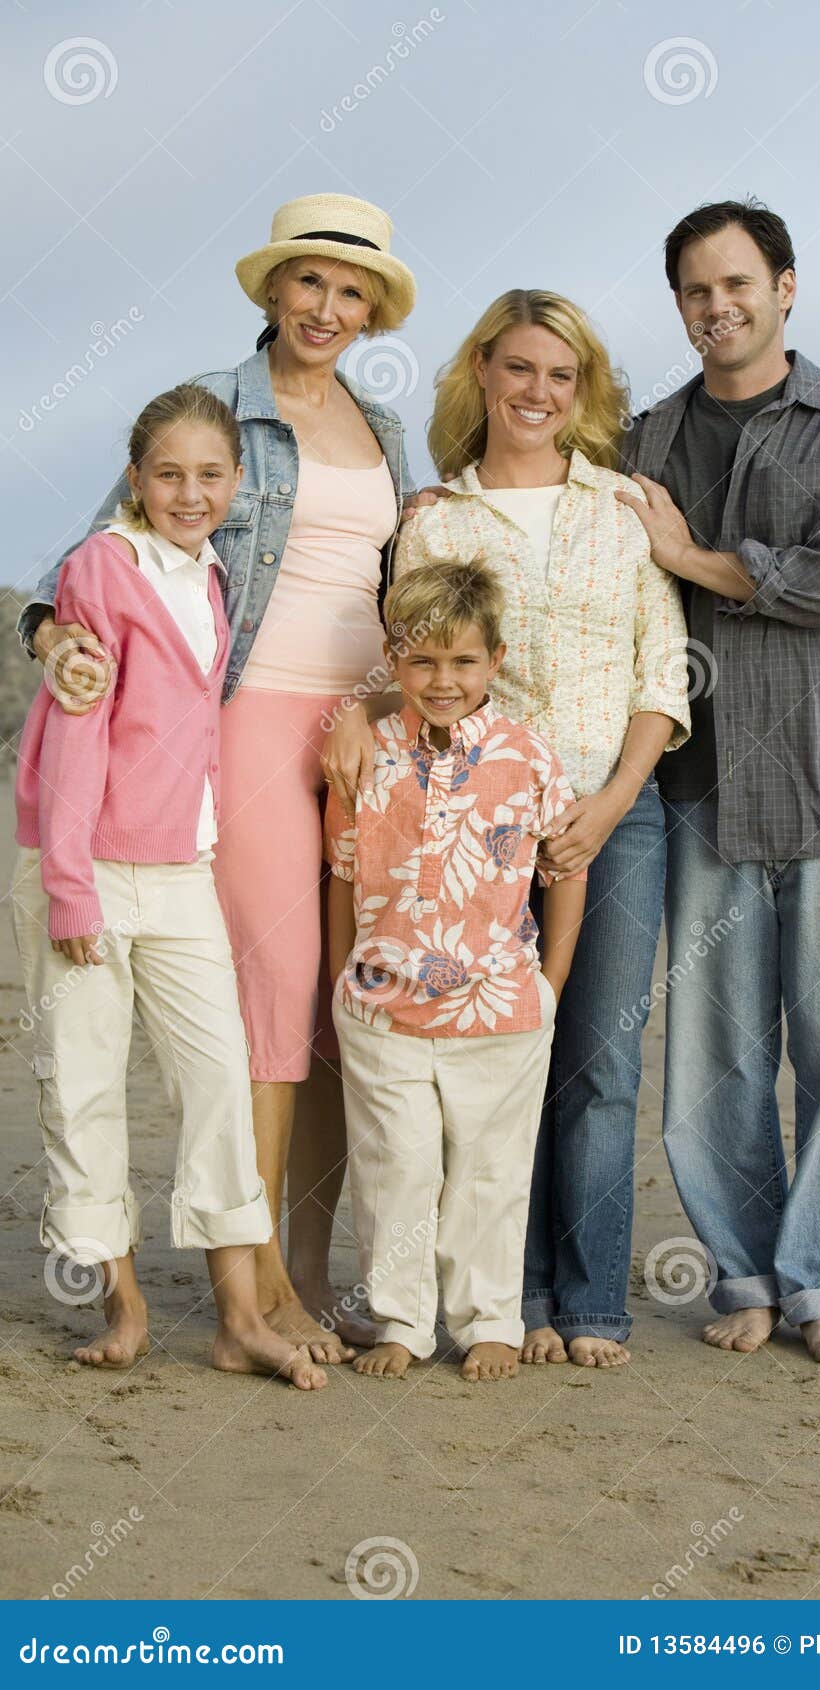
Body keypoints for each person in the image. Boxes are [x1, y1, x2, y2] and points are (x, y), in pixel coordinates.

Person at [16, 194, 417, 1363]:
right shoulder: (212, 414)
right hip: (241, 722)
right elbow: (81, 570)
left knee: (340, 1003)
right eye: (308, 284)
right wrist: (55, 645)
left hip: (357, 730)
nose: (326, 309)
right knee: (274, 994)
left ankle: (306, 1262)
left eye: (350, 292)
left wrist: (378, 708)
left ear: (372, 309)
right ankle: (264, 1289)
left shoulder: (386, 428)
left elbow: (400, 589)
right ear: (270, 290)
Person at [616, 197, 820, 1365]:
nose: (715, 306)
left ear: (784, 286)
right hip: (703, 785)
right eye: (694, 290)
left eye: (736, 283)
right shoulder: (648, 439)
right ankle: (741, 1271)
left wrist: (690, 558)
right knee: (713, 1053)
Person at [11, 385, 327, 1391]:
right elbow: (73, 734)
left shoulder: (215, 578)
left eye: (208, 475)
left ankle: (237, 1315)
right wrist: (69, 888)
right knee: (86, 1080)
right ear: (136, 481)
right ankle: (123, 1299)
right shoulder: (103, 568)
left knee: (218, 1084)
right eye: (167, 474)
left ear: (237, 484)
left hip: (180, 869)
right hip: (87, 867)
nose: (189, 492)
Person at [396, 290, 691, 1367]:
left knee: (599, 1062)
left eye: (560, 376)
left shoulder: (623, 508)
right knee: (495, 1062)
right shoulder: (435, 519)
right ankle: (503, 1298)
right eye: (518, 368)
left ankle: (591, 1304)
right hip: (478, 820)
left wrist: (609, 801)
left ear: (583, 391)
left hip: (618, 813)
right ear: (483, 370)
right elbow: (417, 667)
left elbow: (662, 668)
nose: (537, 392)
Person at [325, 560, 586, 1381]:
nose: (443, 680)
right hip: (380, 1012)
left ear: (496, 662)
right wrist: (342, 982)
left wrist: (551, 987)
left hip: (500, 1012)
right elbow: (342, 875)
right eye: (424, 661)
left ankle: (489, 1321)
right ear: (393, 658)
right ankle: (400, 1319)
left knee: (490, 1173)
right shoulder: (364, 756)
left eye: (463, 662)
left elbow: (565, 869)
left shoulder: (529, 756)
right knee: (394, 1167)